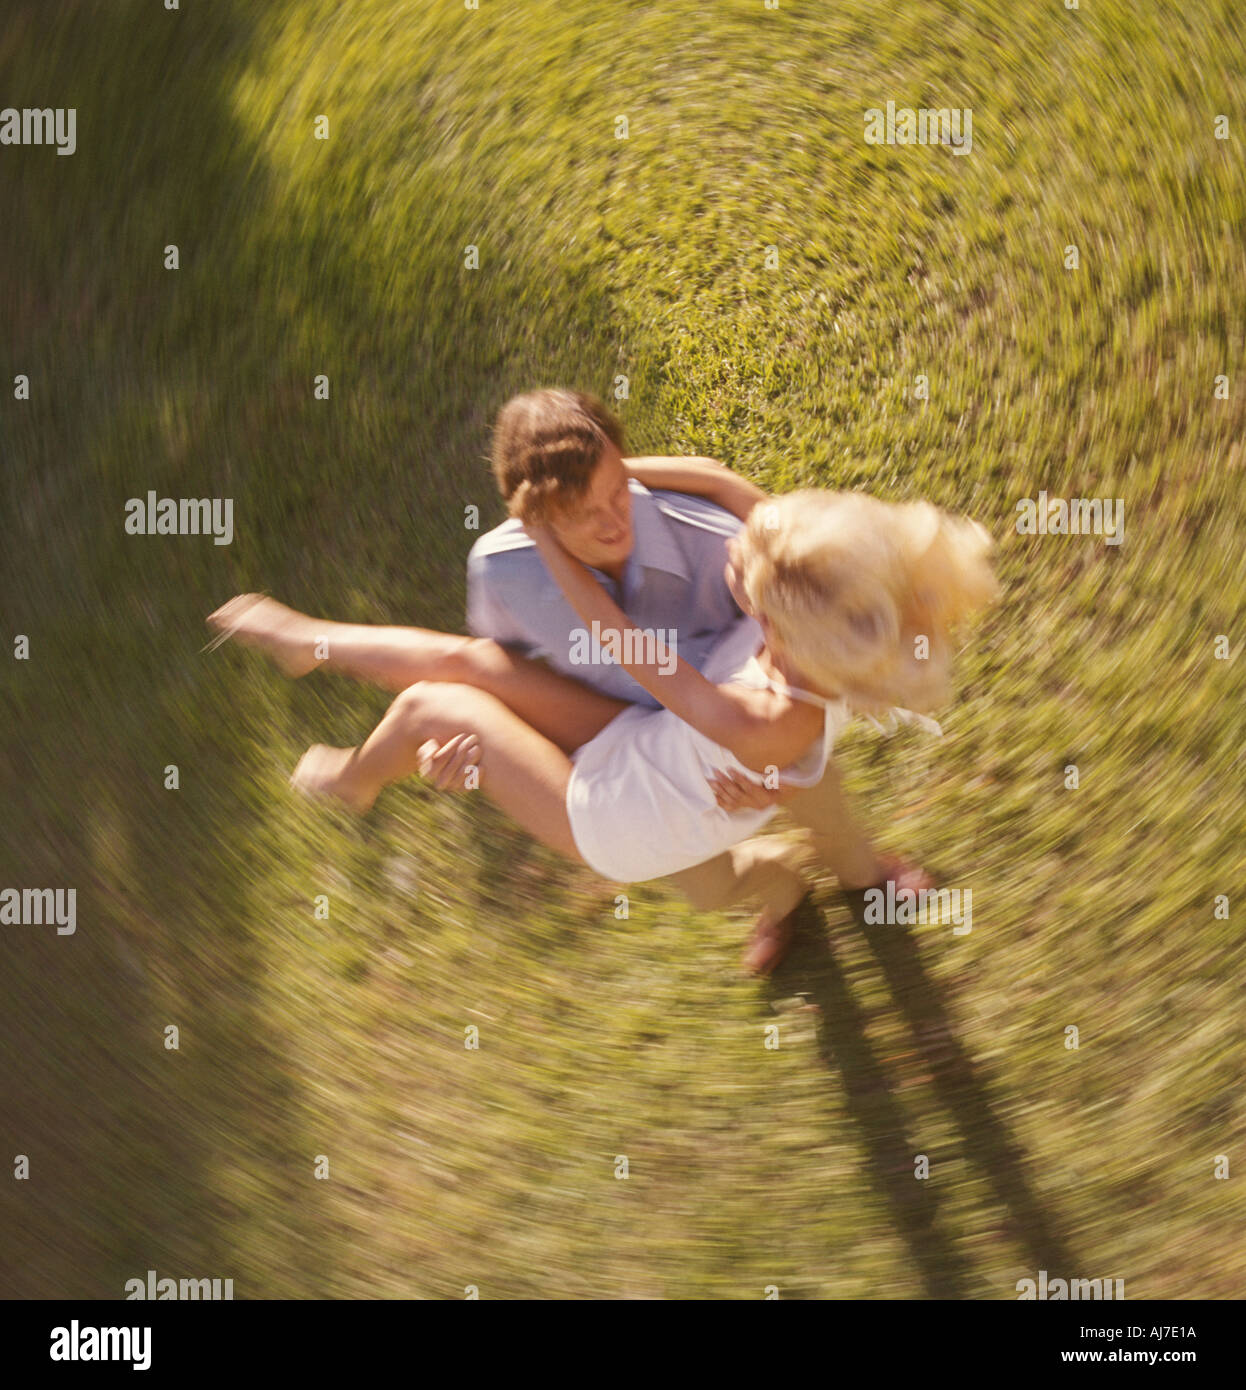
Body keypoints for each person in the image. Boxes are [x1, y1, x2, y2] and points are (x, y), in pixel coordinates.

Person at [206, 407, 996, 968]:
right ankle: (311, 645)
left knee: (431, 709)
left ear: (778, 637)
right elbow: (726, 486)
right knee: (480, 672)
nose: (737, 564)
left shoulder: (760, 717)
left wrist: (550, 537)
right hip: (650, 748)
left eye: (747, 587)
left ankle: (354, 781)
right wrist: (600, 479)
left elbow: (622, 641)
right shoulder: (823, 613)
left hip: (622, 816)